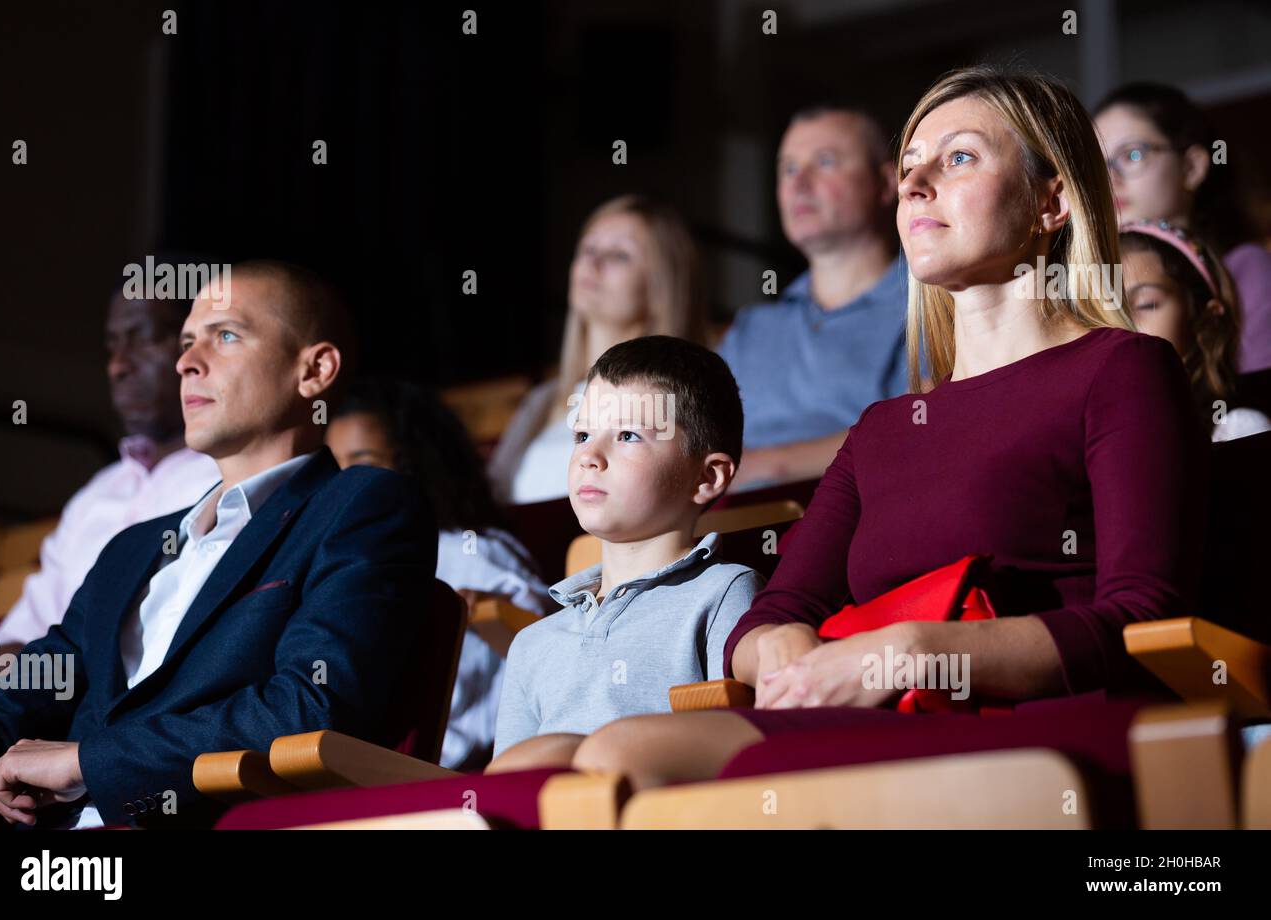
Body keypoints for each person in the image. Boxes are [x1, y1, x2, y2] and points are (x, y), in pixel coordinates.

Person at [563, 66, 1207, 791]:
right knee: (552, 762)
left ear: (1051, 200)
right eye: (908, 167)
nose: (916, 184)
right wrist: (779, 650)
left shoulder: (1122, 369)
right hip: (887, 715)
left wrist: (908, 651)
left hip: (1036, 724)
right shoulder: (884, 427)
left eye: (958, 157)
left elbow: (1139, 619)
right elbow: (771, 616)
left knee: (621, 760)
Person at [0, 260, 438, 828]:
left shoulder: (360, 506)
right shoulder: (132, 547)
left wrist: (88, 763)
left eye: (226, 336)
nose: (186, 362)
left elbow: (309, 708)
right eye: (187, 341)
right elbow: (32, 687)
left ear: (314, 370)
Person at [487, 336, 763, 772]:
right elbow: (502, 788)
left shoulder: (724, 591)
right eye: (582, 434)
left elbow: (741, 743)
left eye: (628, 435)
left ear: (707, 477)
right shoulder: (533, 644)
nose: (590, 457)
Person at [0, 275, 219, 690]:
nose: (118, 365)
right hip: (32, 703)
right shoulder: (96, 494)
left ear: (196, 347)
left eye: (143, 338)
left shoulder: (229, 480)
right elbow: (21, 633)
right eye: (112, 346)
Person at [326, 378, 552, 770]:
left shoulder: (469, 551)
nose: (346, 486)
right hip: (360, 762)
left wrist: (487, 610)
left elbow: (550, 653)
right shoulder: (333, 567)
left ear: (414, 464)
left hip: (460, 766)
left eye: (362, 464)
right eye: (335, 469)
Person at [716, 106, 908, 489]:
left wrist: (766, 467)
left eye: (825, 161)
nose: (799, 182)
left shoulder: (931, 309)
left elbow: (917, 433)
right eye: (788, 168)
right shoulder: (751, 328)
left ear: (887, 184)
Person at [487, 195, 707, 504]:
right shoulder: (543, 400)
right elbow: (489, 498)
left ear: (662, 288)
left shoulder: (674, 403)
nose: (593, 262)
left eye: (619, 255)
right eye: (588, 249)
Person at [1094, 83, 1271, 374]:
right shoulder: (1086, 285)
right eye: (1097, 167)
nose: (1110, 179)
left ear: (1192, 167)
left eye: (1133, 155)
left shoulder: (1248, 269)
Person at [1120, 219, 1271, 441]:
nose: (1118, 322)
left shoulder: (1235, 429)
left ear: (1206, 321)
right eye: (1100, 309)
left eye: (1145, 303)